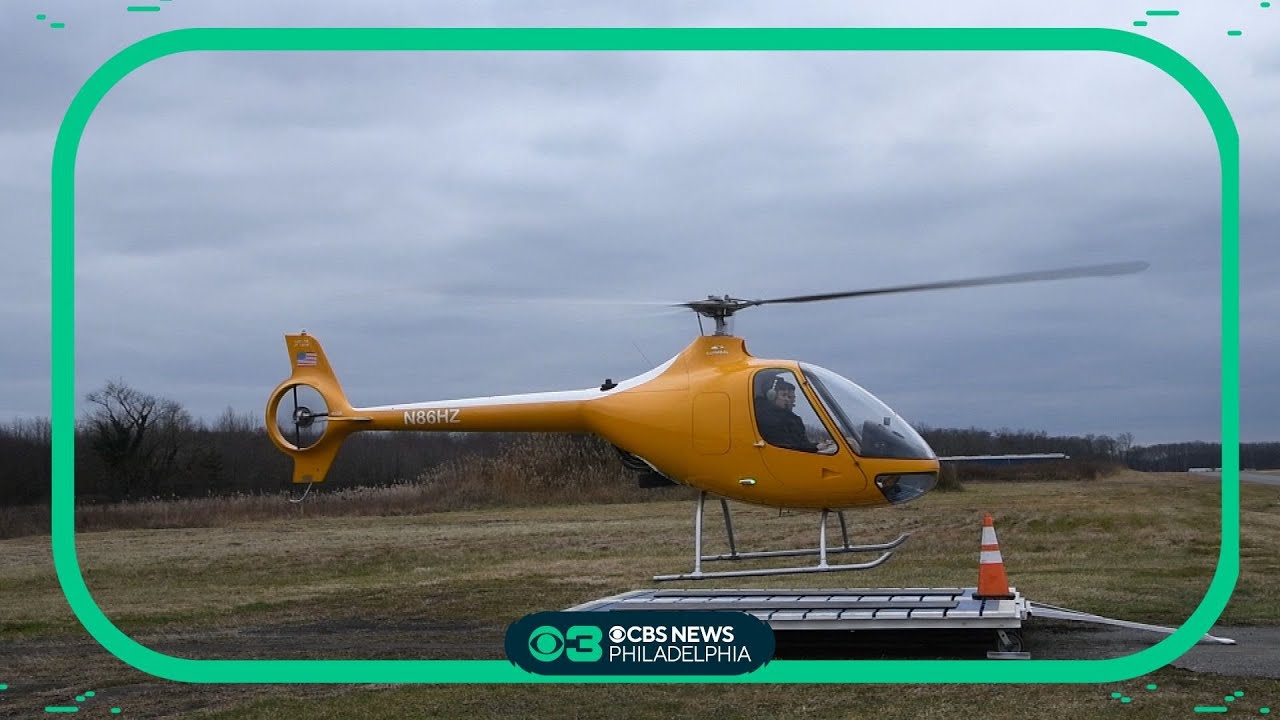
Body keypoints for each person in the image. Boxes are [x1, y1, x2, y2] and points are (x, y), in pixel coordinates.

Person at [755, 374, 834, 453]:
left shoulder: (788, 417)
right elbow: (788, 447)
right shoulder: (770, 419)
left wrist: (817, 445)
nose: (787, 399)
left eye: (788, 396)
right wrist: (814, 448)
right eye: (783, 395)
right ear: (771, 396)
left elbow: (799, 444)